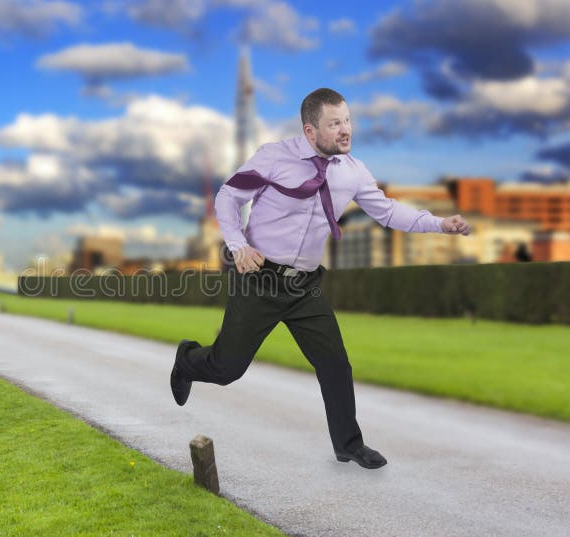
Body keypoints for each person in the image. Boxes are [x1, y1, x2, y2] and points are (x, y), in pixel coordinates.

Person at [170, 87, 471, 470]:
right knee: (227, 369)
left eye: (347, 120)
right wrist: (237, 244)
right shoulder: (274, 157)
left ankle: (349, 445)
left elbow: (388, 212)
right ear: (310, 131)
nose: (346, 130)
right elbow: (229, 197)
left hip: (304, 287)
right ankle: (188, 360)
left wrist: (440, 224)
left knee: (335, 364)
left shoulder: (353, 172)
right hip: (259, 278)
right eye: (335, 124)